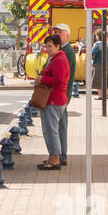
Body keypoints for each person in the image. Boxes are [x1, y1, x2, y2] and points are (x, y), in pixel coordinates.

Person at [36, 34, 70, 170]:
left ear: (58, 46)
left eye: (50, 46)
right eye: (46, 46)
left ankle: (55, 160)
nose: (47, 49)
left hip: (53, 100)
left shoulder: (59, 60)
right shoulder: (56, 58)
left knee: (51, 131)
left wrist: (42, 79)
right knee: (51, 130)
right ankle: (52, 157)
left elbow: (58, 80)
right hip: (55, 99)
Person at [53, 23, 75, 164]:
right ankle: (60, 155)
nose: (56, 35)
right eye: (55, 32)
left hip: (62, 95)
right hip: (62, 95)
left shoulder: (66, 52)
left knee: (60, 127)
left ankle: (61, 156)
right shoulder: (63, 50)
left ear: (66, 34)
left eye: (59, 32)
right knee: (59, 126)